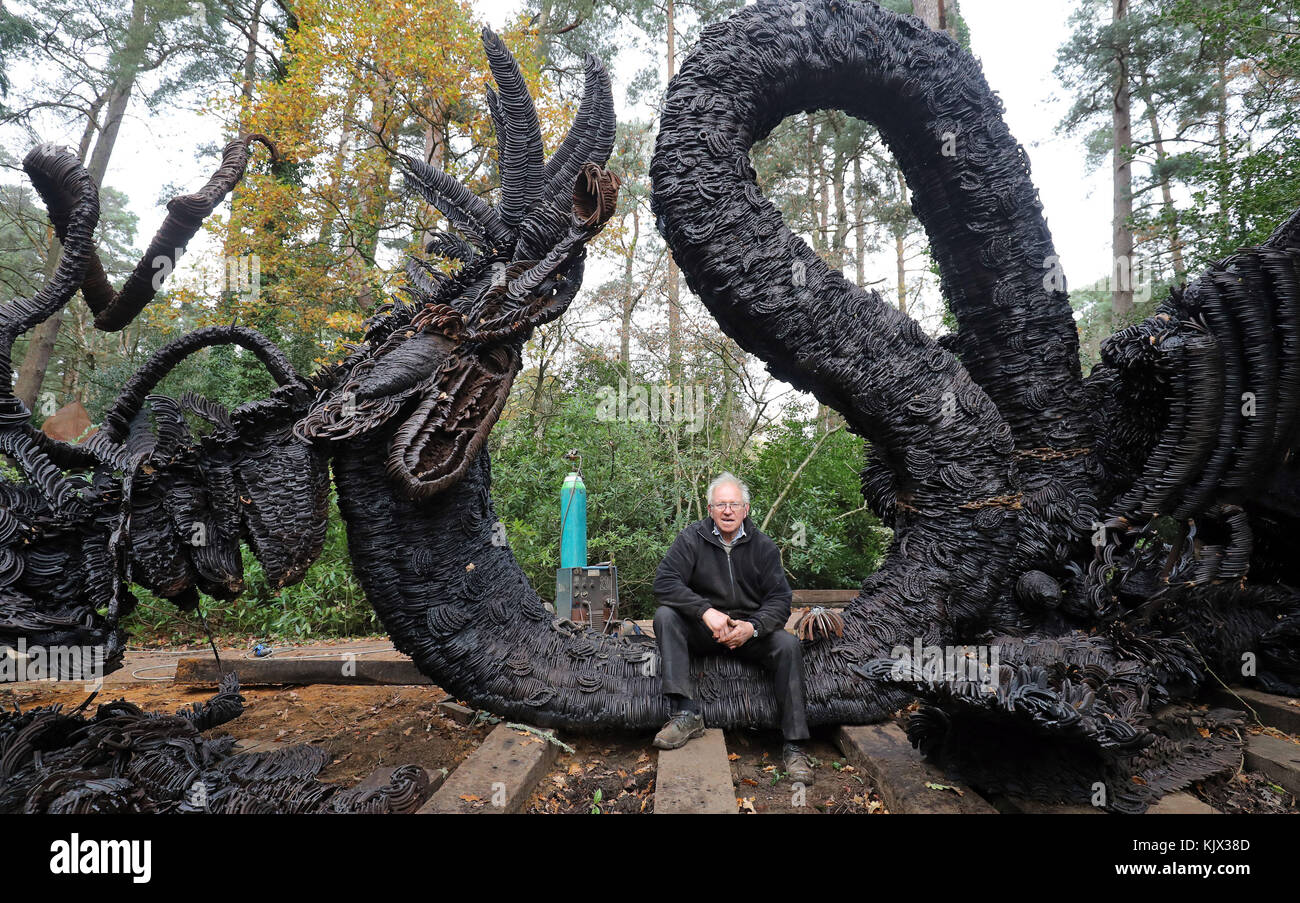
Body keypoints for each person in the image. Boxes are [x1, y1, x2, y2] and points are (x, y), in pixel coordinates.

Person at [650, 472, 814, 784]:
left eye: (734, 504)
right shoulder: (691, 539)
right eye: (720, 504)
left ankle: (795, 745)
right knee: (665, 616)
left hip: (749, 634)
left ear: (746, 510)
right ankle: (686, 714)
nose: (727, 511)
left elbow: (780, 599)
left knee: (788, 645)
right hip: (705, 631)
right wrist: (704, 611)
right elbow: (664, 583)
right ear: (710, 509)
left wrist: (753, 627)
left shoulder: (764, 547)